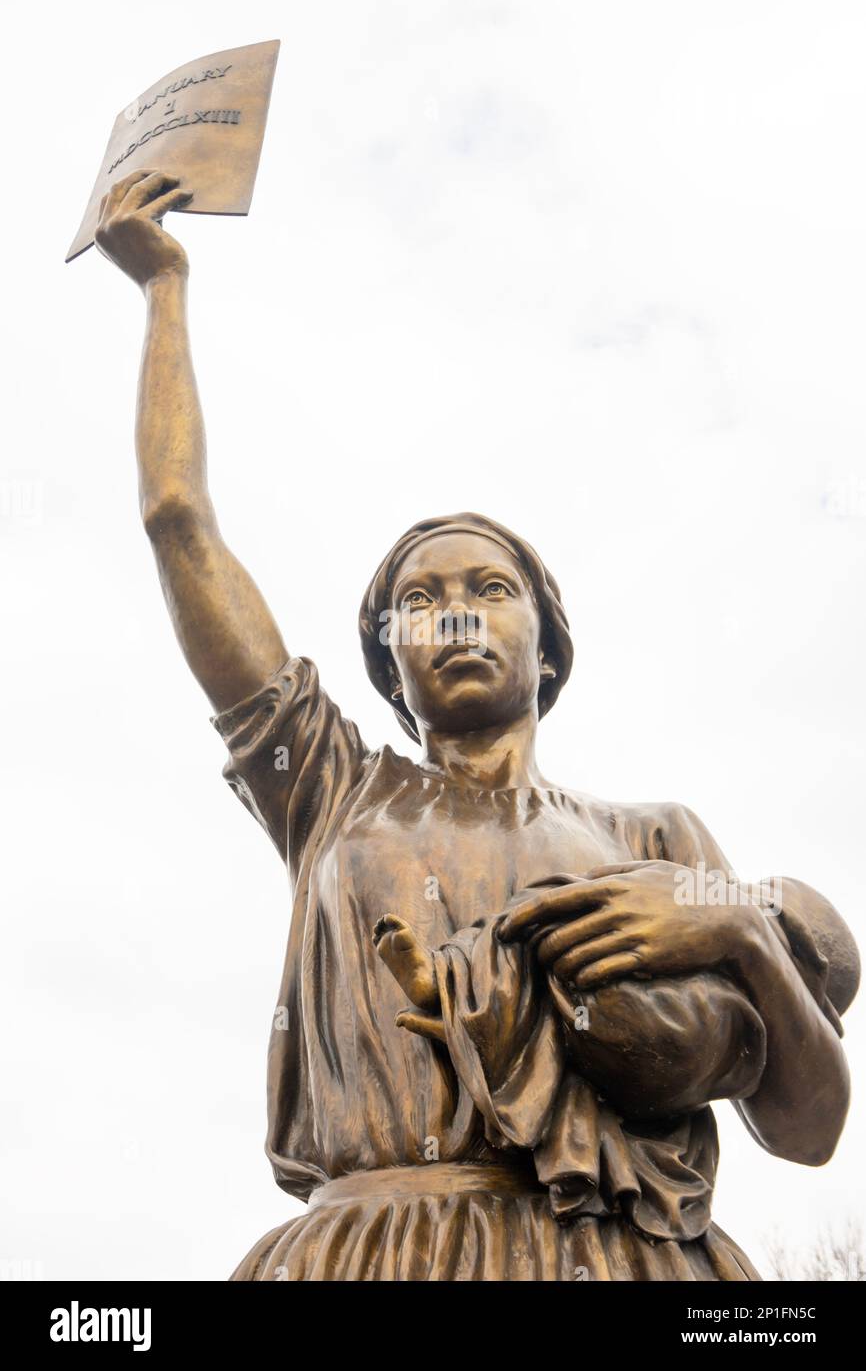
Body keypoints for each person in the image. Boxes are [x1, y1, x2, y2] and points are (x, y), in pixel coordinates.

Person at [94, 170, 859, 1281]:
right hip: (371, 1250)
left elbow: (807, 1127)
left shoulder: (657, 841)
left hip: (622, 1258)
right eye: (419, 597)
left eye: (488, 588)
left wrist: (737, 932)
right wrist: (163, 287)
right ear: (390, 667)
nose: (452, 608)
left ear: (547, 648)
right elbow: (178, 523)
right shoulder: (332, 790)